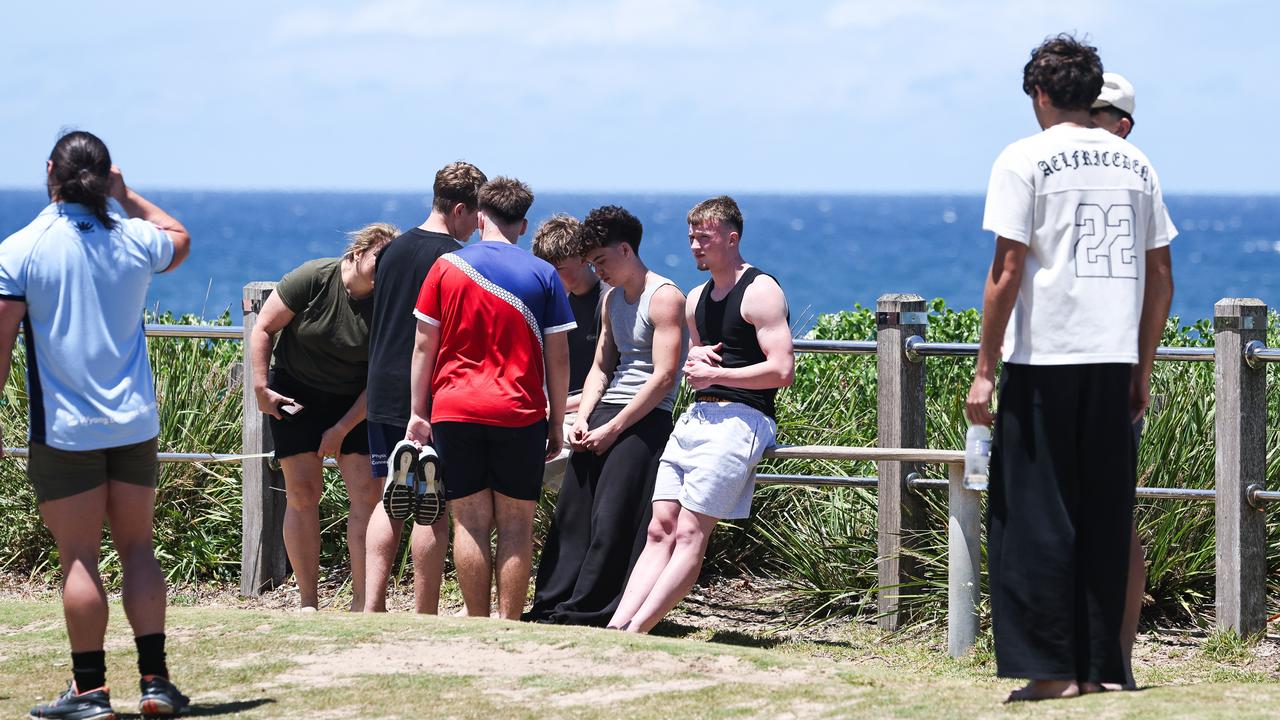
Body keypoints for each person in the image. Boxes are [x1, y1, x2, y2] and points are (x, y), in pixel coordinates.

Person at [965, 36, 1175, 702]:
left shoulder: (1023, 158)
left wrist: (983, 369)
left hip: (1046, 358)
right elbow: (1161, 276)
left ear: (1042, 93)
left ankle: (1050, 670)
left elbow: (1006, 270)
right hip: (1114, 359)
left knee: (1033, 519)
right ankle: (1104, 669)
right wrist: (1142, 366)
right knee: (1105, 516)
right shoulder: (1136, 163)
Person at [0, 131, 192, 718]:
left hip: (66, 430)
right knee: (139, 548)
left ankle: (89, 691)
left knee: (79, 557)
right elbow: (179, 239)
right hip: (134, 423)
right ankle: (155, 682)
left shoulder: (23, 248)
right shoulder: (135, 238)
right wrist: (128, 196)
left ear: (50, 171)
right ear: (107, 175)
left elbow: (2, 346)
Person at [609, 196, 793, 633]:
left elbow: (782, 370)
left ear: (732, 239)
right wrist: (698, 365)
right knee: (661, 527)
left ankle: (637, 632)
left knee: (691, 532)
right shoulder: (695, 299)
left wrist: (720, 374)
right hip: (697, 418)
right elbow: (698, 364)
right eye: (691, 236)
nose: (695, 245)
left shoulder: (761, 291)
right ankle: (617, 629)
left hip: (743, 419)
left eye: (704, 237)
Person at [406, 177, 574, 620]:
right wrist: (556, 421)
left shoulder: (445, 268)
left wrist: (417, 413)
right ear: (522, 222)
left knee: (469, 521)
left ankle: (477, 621)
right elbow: (558, 359)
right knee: (517, 525)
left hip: (455, 410)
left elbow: (424, 346)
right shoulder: (543, 274)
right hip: (519, 413)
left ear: (479, 216)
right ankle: (510, 624)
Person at [525, 205, 686, 625]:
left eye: (601, 261)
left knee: (612, 513)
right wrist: (584, 419)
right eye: (591, 263)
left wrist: (614, 428)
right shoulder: (612, 299)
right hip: (606, 410)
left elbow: (664, 377)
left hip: (645, 418)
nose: (597, 271)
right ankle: (551, 604)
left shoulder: (665, 297)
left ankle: (590, 609)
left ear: (627, 249)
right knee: (573, 512)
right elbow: (601, 367)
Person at [249, 223, 397, 611]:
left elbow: (380, 375)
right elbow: (264, 327)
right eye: (380, 258)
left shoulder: (389, 301)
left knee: (367, 495)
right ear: (357, 253)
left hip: (357, 399)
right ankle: (308, 601)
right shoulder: (314, 277)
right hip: (296, 393)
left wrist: (340, 429)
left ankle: (365, 602)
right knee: (302, 494)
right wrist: (262, 388)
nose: (385, 268)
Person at [362, 161, 487, 614]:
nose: (478, 226)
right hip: (427, 391)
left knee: (389, 496)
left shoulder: (392, 250)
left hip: (381, 386)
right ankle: (424, 611)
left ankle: (371, 604)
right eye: (476, 215)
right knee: (429, 502)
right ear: (458, 209)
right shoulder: (452, 259)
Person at [1091, 70, 1173, 689]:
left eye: (1097, 114)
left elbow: (1161, 280)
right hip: (1064, 366)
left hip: (1111, 371)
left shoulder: (1137, 172)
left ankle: (1118, 653)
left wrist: (1140, 369)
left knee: (1113, 516)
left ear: (1122, 123)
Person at [531, 214, 606, 491]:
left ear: (583, 258)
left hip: (591, 410)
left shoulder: (608, 300)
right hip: (557, 409)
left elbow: (613, 376)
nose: (551, 278)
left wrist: (558, 410)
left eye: (559, 269)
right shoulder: (552, 303)